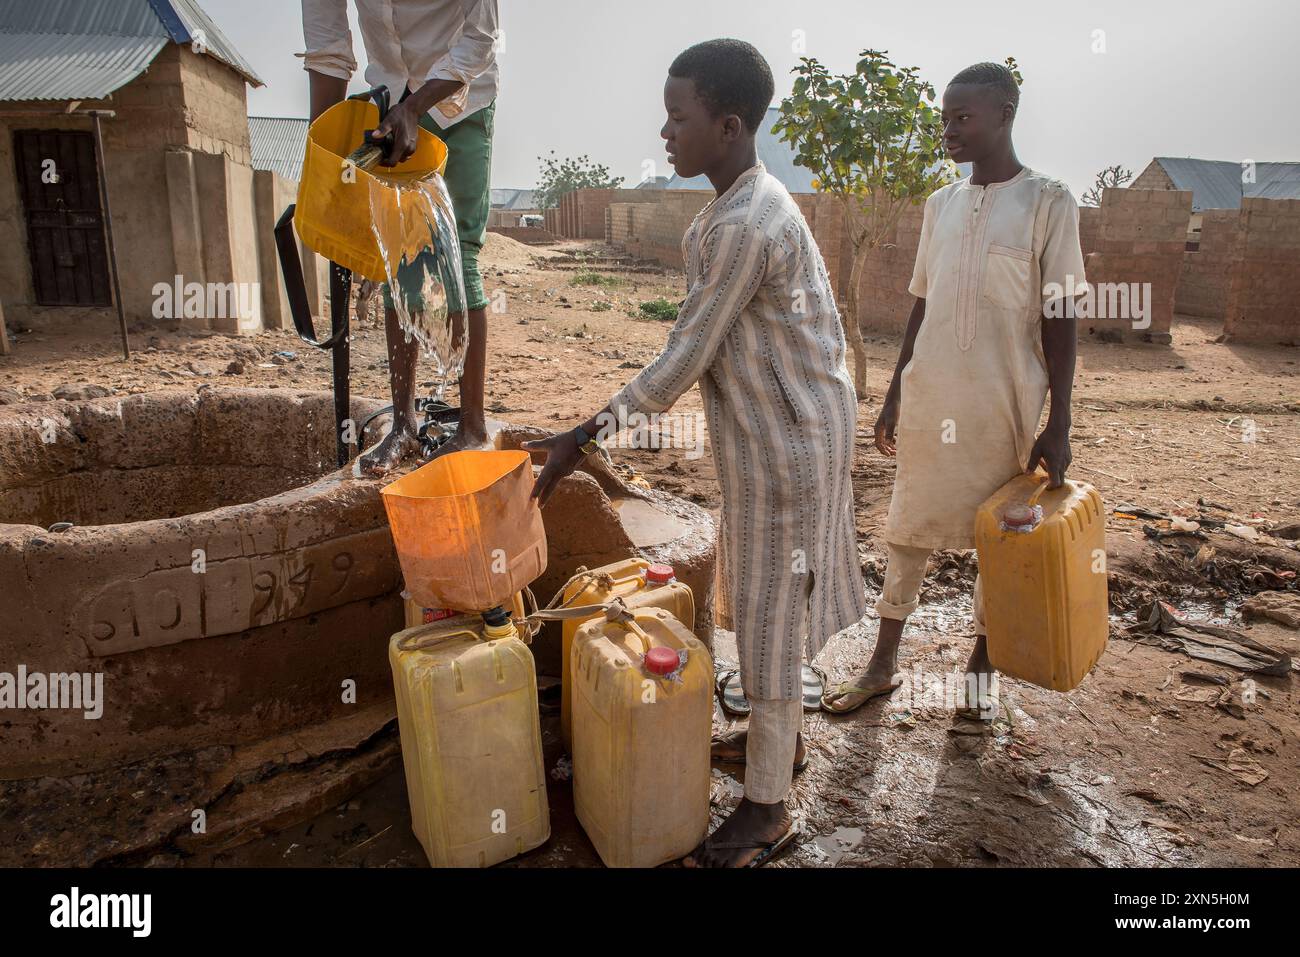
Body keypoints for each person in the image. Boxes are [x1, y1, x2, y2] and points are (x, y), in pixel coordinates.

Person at [523, 39, 866, 868]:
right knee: (761, 603)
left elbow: (682, 360)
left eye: (680, 116)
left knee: (773, 620)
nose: (665, 130)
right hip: (783, 432)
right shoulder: (740, 205)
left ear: (730, 124)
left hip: (786, 447)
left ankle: (768, 811)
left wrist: (578, 441)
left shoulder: (746, 223)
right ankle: (774, 751)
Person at [821, 62, 1086, 718]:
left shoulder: (1050, 202)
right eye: (944, 118)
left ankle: (980, 673)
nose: (948, 130)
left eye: (962, 117)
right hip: (931, 395)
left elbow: (1061, 314)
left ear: (1004, 113)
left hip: (1006, 404)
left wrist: (1060, 419)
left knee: (1002, 537)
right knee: (909, 525)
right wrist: (894, 392)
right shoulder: (940, 206)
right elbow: (923, 303)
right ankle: (882, 662)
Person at [300, 0, 500, 473]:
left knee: (459, 256)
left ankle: (473, 427)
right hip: (388, 99)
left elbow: (481, 39)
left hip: (459, 101)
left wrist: (416, 107)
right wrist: (324, 159)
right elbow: (328, 49)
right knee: (399, 255)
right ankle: (404, 427)